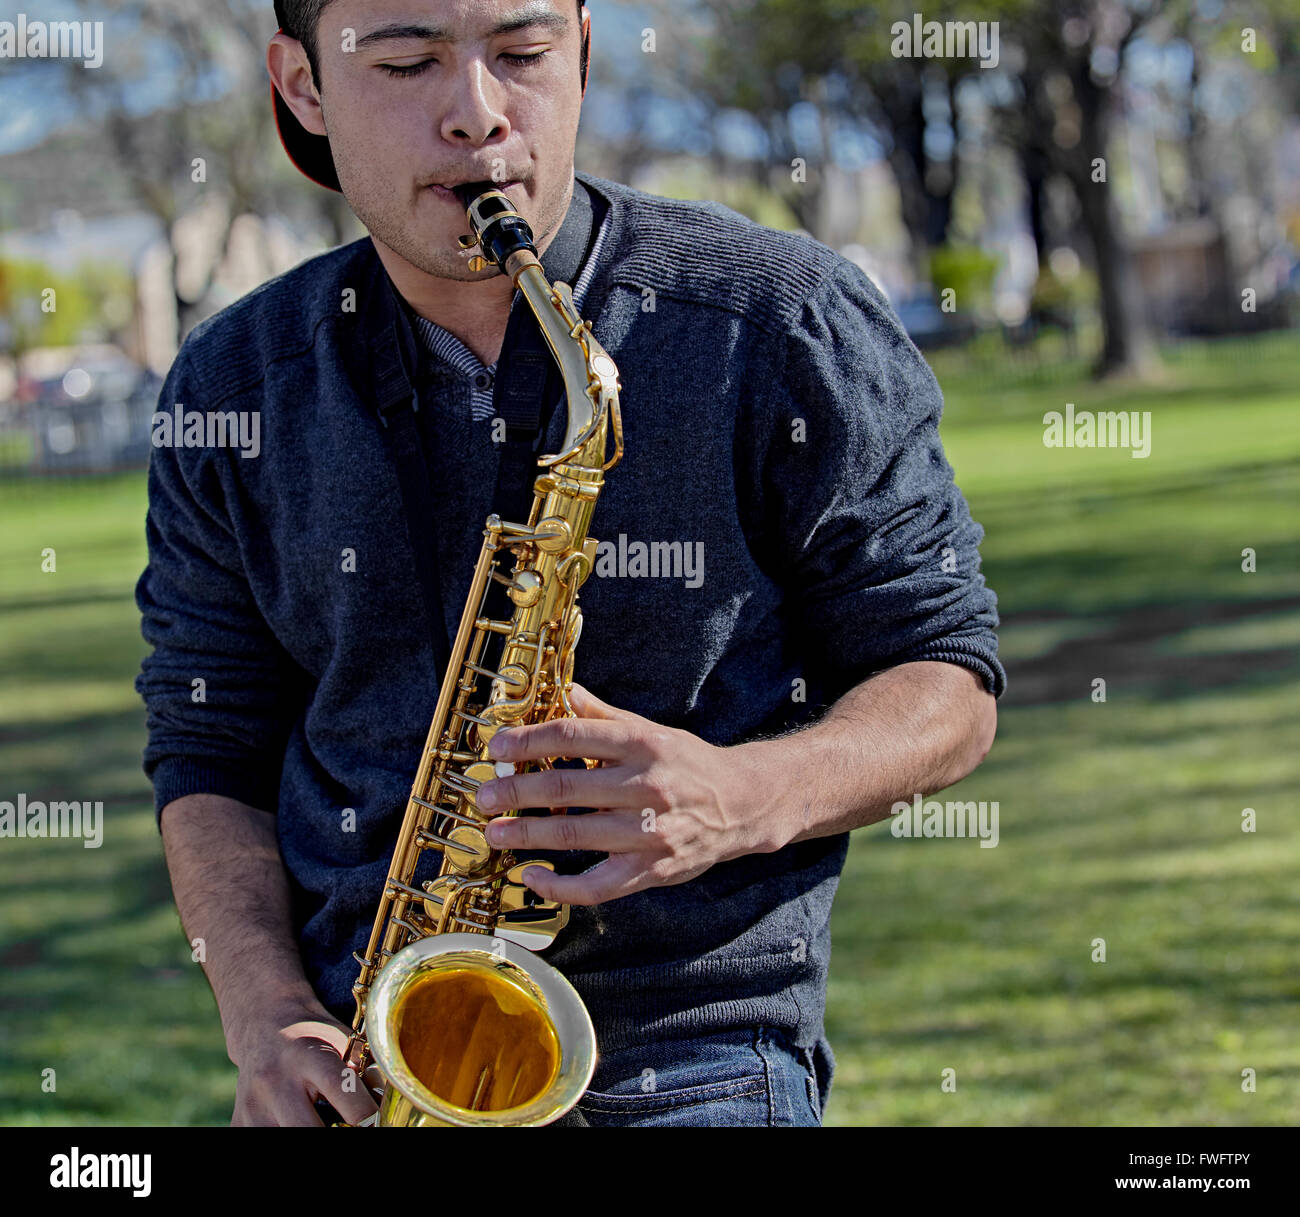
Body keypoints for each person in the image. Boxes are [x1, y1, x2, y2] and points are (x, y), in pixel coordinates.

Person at [135, 0, 1005, 1128]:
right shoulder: (230, 385)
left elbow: (948, 676)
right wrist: (264, 1016)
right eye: (407, 63)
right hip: (363, 1058)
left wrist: (740, 794)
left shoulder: (781, 319)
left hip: (698, 1057)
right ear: (301, 87)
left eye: (523, 54)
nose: (480, 116)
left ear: (586, 56)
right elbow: (208, 744)